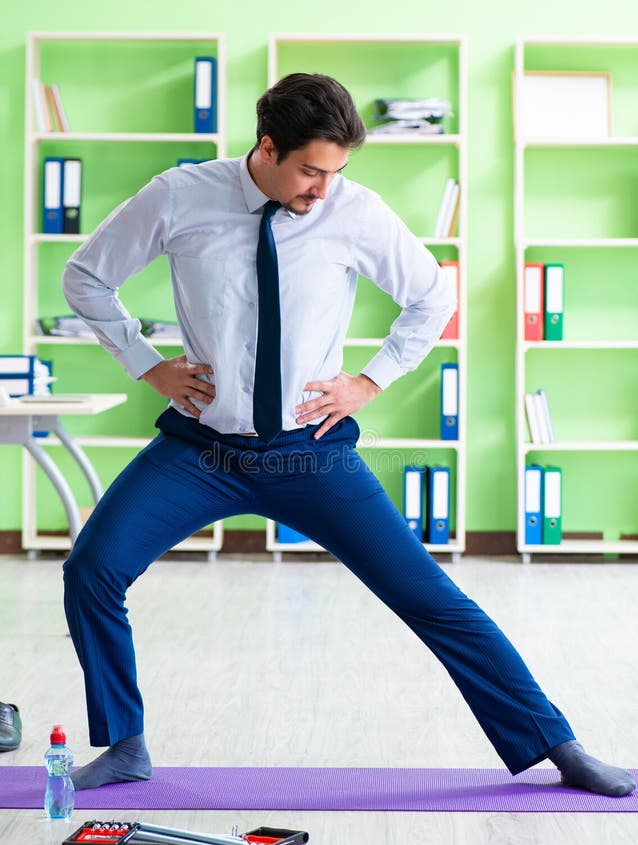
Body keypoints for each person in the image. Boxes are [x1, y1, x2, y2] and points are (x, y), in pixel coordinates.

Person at [61, 73, 634, 797]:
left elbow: (432, 295)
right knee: (92, 569)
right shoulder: (180, 196)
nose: (321, 189)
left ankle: (558, 744)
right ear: (266, 147)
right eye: (309, 170)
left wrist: (371, 380)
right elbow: (86, 277)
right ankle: (123, 744)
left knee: (431, 598)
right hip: (201, 449)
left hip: (308, 452)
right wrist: (148, 365)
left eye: (335, 173)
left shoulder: (354, 212)